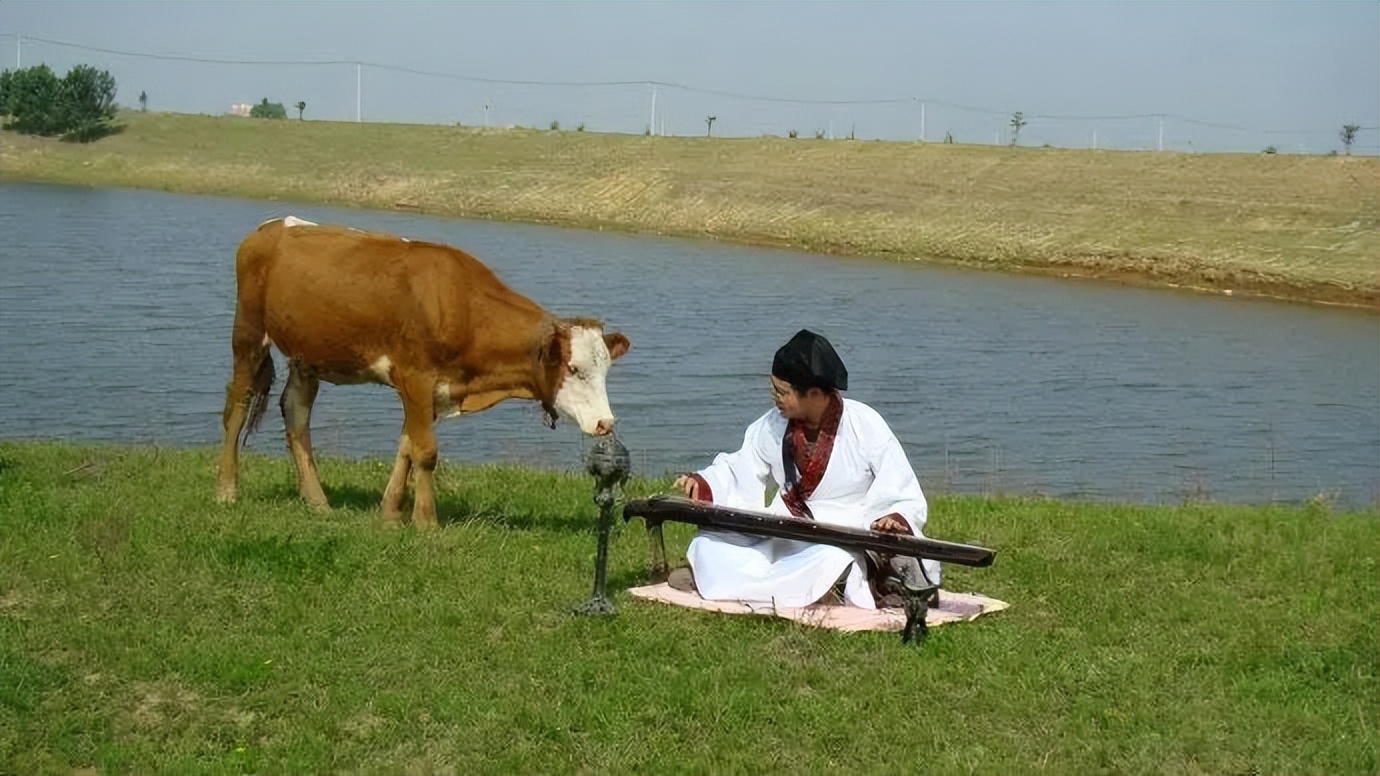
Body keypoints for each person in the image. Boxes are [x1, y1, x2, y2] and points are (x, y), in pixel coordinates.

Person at [670, 329, 940, 610]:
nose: (775, 397)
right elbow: (742, 466)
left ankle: (822, 585)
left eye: (782, 392)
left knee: (830, 561)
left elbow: (901, 487)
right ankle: (726, 577)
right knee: (709, 543)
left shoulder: (865, 425)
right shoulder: (772, 425)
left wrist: (892, 517)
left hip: (844, 535)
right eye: (773, 388)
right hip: (787, 530)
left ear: (813, 393)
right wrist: (705, 482)